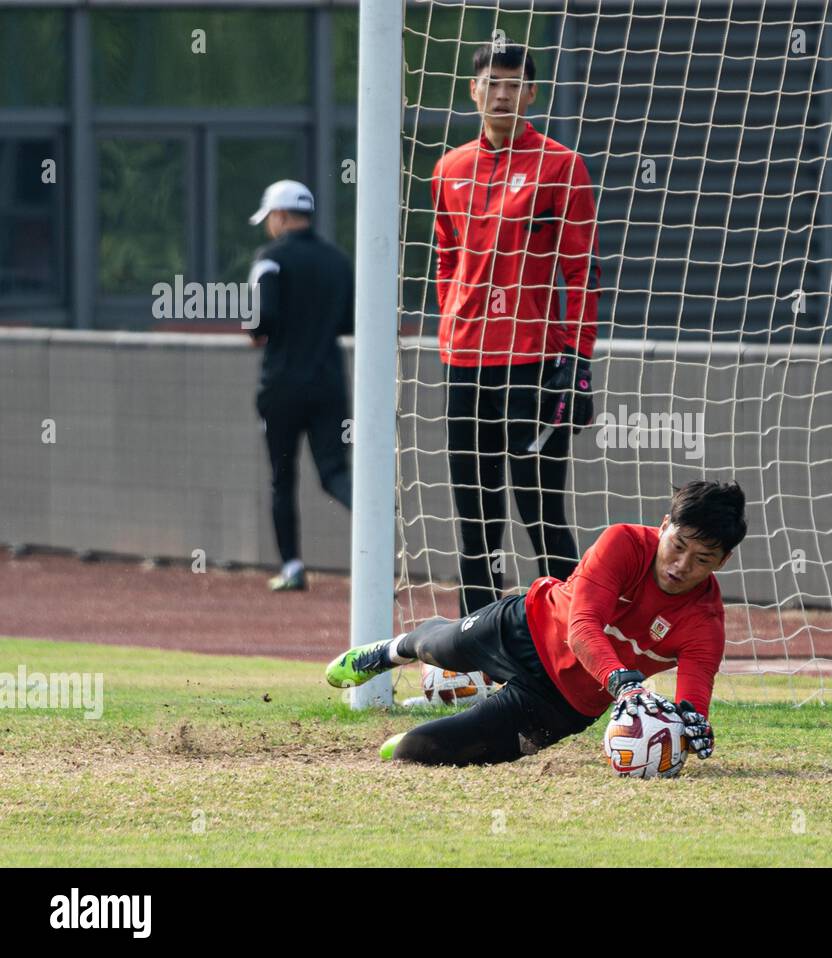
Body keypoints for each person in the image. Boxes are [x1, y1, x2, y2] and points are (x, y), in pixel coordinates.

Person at [324, 480, 746, 767]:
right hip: (525, 627)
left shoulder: (705, 624)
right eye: (678, 546)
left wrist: (691, 733)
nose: (682, 565)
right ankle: (389, 651)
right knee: (436, 645)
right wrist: (625, 684)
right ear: (665, 526)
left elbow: (694, 705)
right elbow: (582, 626)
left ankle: (461, 702)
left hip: (564, 704)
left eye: (703, 560)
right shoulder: (623, 542)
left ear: (723, 561)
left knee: (419, 751)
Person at [431, 40, 601, 616]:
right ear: (472, 89)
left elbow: (580, 271)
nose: (501, 93)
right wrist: (451, 321)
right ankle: (474, 651)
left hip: (534, 366)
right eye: (491, 82)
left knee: (542, 512)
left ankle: (579, 644)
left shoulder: (561, 165)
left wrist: (577, 361)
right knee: (475, 516)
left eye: (513, 83)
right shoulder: (449, 168)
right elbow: (445, 256)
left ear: (531, 93)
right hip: (464, 365)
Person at [246, 179, 355, 592]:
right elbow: (348, 320)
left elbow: (260, 322)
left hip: (282, 385)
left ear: (280, 216)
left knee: (282, 475)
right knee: (334, 473)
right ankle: (380, 539)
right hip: (329, 382)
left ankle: (292, 566)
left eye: (270, 219)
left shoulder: (270, 259)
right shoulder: (338, 260)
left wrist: (260, 330)